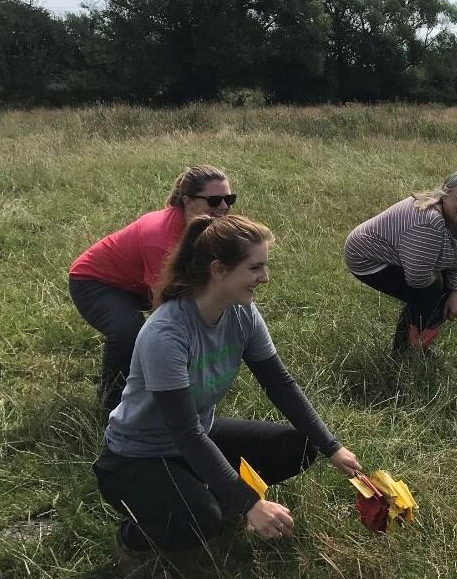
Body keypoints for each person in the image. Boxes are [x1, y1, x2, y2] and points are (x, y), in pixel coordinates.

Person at [93, 214, 362, 555]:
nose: (265, 278)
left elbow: (279, 382)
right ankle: (132, 538)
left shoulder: (242, 314)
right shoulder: (167, 334)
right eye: (255, 268)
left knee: (300, 445)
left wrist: (331, 446)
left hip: (196, 437)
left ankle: (210, 494)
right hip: (137, 457)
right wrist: (249, 503)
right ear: (219, 269)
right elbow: (185, 433)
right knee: (201, 521)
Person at [69, 165, 235, 413]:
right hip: (95, 282)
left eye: (229, 199)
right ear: (188, 201)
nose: (223, 207)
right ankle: (112, 407)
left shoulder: (206, 226)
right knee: (129, 333)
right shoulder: (160, 236)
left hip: (136, 283)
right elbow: (166, 306)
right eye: (214, 200)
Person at [344, 170, 457, 353]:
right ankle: (404, 352)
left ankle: (417, 339)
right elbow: (418, 279)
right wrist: (441, 299)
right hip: (367, 257)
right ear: (445, 195)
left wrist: (456, 292)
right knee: (431, 294)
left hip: (405, 253)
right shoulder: (429, 222)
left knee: (443, 291)